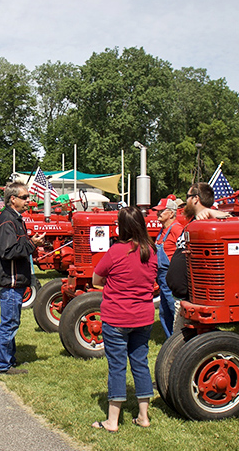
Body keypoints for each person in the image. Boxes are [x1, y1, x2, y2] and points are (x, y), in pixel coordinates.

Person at [91, 206, 158, 432]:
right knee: (141, 363)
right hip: (144, 316)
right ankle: (143, 416)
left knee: (117, 367)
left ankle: (112, 421)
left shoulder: (116, 251)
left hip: (117, 316)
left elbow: (96, 279)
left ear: (121, 226)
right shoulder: (152, 250)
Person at [0, 183, 45, 375]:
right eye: (25, 197)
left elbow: (17, 244)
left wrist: (32, 242)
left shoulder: (14, 219)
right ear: (13, 199)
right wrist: (31, 244)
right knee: (9, 323)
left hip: (13, 281)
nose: (28, 201)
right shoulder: (8, 220)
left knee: (12, 322)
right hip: (9, 281)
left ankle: (9, 360)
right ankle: (2, 366)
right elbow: (8, 251)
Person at [166, 182, 230, 332]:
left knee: (185, 345)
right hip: (182, 296)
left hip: (193, 297)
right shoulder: (195, 221)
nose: (185, 201)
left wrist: (211, 212)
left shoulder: (212, 220)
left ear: (195, 199)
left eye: (188, 197)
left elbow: (228, 218)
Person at [154, 197, 185, 337]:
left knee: (174, 310)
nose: (158, 214)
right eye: (157, 211)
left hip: (170, 276)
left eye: (161, 211)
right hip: (162, 277)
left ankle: (179, 339)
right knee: (164, 311)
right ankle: (170, 339)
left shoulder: (177, 229)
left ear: (171, 213)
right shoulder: (163, 230)